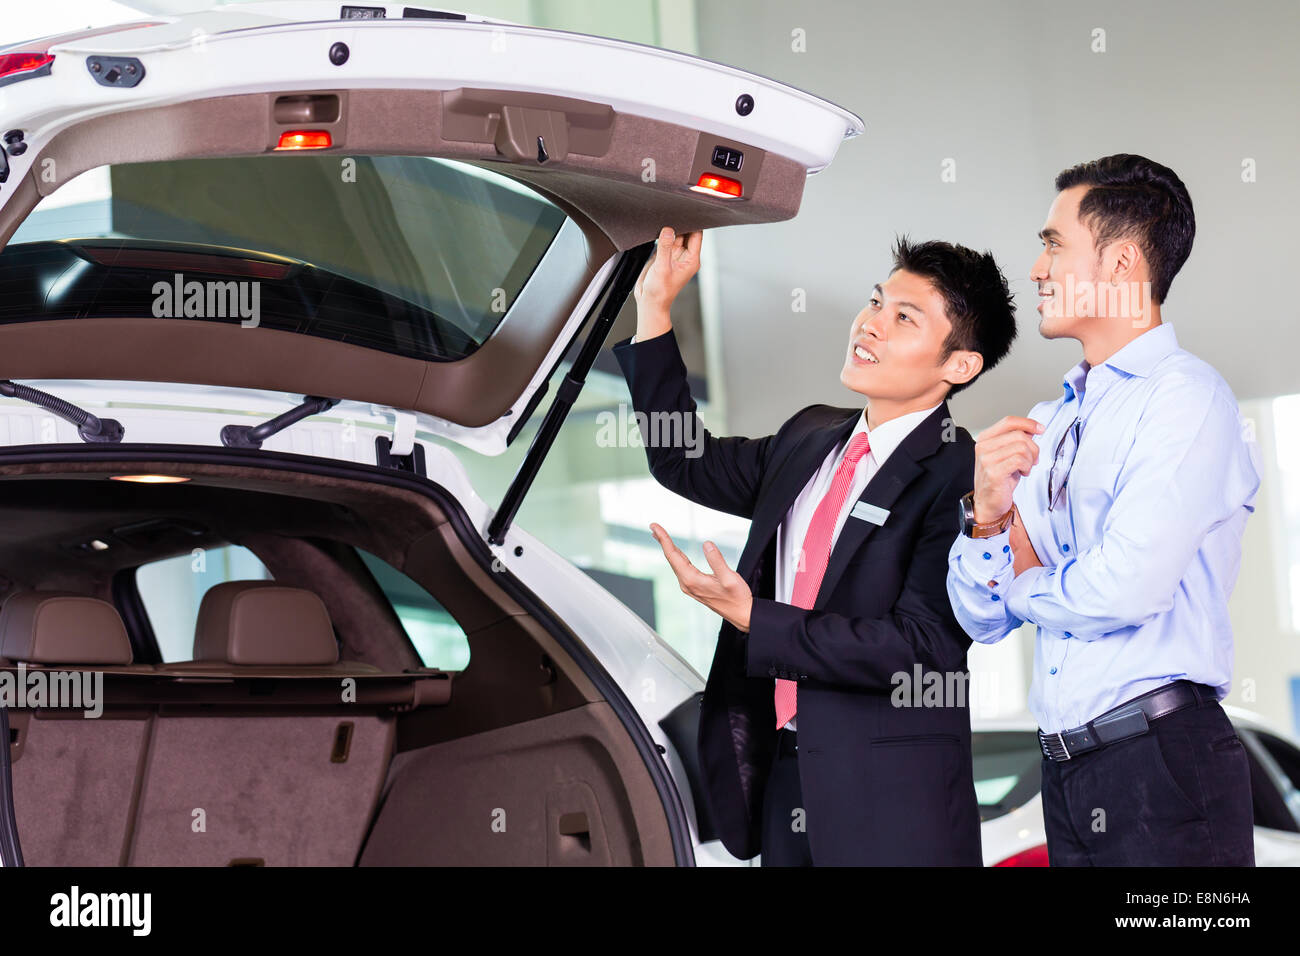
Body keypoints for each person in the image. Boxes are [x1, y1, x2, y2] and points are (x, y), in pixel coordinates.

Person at [614, 225, 1016, 864]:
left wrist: (754, 616)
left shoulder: (961, 474)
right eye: (877, 300)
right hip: (786, 779)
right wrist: (656, 309)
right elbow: (682, 460)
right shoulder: (810, 435)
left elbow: (921, 650)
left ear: (958, 365)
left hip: (891, 808)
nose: (871, 323)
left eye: (904, 317)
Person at [946, 154, 1259, 866]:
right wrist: (989, 516)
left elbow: (1125, 586)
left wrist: (1024, 580)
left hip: (1163, 766)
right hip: (1066, 771)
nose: (1035, 269)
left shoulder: (1186, 399)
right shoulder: (1048, 424)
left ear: (1120, 264)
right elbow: (979, 617)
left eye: (1054, 244)